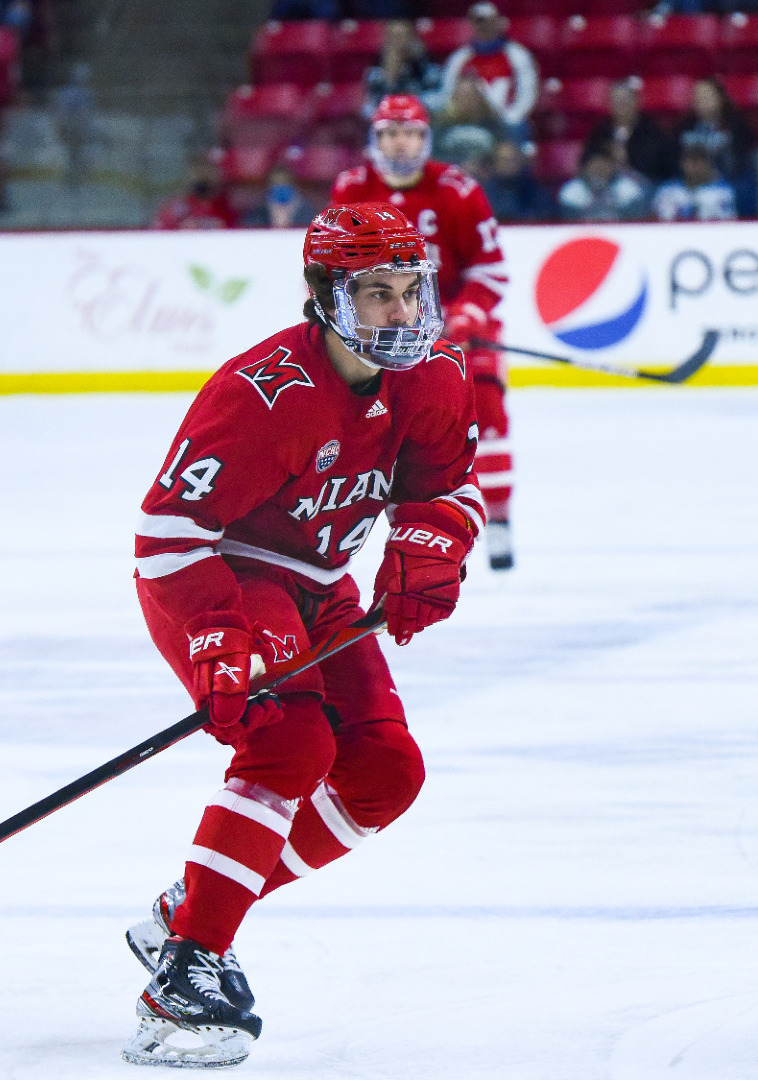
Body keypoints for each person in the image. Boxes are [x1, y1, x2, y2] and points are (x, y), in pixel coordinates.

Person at [122, 202, 484, 1069]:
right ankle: (183, 976)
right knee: (290, 743)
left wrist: (435, 539)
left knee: (387, 774)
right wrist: (216, 634)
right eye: (377, 296)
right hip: (224, 574)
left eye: (411, 292)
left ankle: (194, 908)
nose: (402, 315)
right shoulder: (260, 396)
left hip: (322, 585)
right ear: (325, 295)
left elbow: (454, 487)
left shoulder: (431, 377)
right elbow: (166, 538)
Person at [331, 94, 516, 570]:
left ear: (425, 138)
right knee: (365, 426)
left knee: (487, 411)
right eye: (390, 133)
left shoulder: (456, 189)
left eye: (410, 132)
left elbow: (490, 267)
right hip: (382, 332)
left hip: (454, 328)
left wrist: (468, 312)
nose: (400, 143)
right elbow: (331, 268)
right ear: (376, 139)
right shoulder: (352, 189)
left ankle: (497, 521)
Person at [440, 2, 539, 142]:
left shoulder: (517, 55)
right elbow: (447, 92)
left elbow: (527, 93)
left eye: (488, 22)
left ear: (498, 22)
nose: (484, 27)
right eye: (479, 22)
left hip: (506, 120)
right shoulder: (460, 58)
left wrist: (511, 117)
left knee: (517, 129)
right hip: (468, 121)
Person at [672, 77, 758, 217]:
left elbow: (740, 160)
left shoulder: (737, 126)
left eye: (707, 96)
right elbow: (674, 159)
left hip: (727, 178)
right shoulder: (684, 127)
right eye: (698, 98)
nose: (702, 102)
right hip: (691, 180)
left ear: (720, 98)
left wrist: (714, 175)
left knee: (744, 188)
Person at [582, 79, 675, 185]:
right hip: (603, 184)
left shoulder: (652, 131)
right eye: (616, 101)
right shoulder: (601, 129)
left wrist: (627, 160)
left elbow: (657, 167)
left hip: (642, 184)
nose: (620, 106)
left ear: (637, 101)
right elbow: (587, 159)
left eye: (625, 100)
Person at [363, 19, 443, 116]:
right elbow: (372, 104)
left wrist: (410, 108)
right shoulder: (376, 66)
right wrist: (390, 76)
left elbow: (436, 98)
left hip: (420, 117)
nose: (399, 42)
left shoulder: (427, 62)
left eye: (403, 36)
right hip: (388, 119)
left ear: (413, 37)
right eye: (394, 37)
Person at [432, 73, 508, 171]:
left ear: (479, 97)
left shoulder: (492, 122)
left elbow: (500, 153)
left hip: (485, 174)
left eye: (471, 95)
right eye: (462, 96)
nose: (467, 100)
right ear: (453, 98)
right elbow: (435, 154)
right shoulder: (441, 122)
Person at [558, 145, 650, 222]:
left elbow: (635, 221)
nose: (600, 167)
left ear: (613, 166)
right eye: (595, 163)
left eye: (605, 163)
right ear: (585, 166)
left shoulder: (628, 188)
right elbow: (569, 223)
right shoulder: (571, 191)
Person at [153, 153, 238, 229]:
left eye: (210, 171)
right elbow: (159, 234)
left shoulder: (229, 207)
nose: (204, 175)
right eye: (199, 171)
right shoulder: (178, 207)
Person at [653, 144, 735, 221]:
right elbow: (654, 221)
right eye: (689, 160)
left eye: (698, 161)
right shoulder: (667, 190)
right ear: (682, 163)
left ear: (708, 163)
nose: (694, 166)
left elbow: (727, 224)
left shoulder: (721, 192)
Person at [479, 140, 552, 222]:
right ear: (495, 163)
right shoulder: (485, 192)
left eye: (512, 160)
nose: (508, 164)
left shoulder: (534, 190)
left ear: (520, 161)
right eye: (503, 160)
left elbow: (546, 216)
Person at [244, 163, 315, 227]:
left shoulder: (307, 213)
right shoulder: (258, 213)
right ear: (269, 187)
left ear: (293, 185)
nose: (281, 186)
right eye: (276, 183)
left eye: (285, 182)